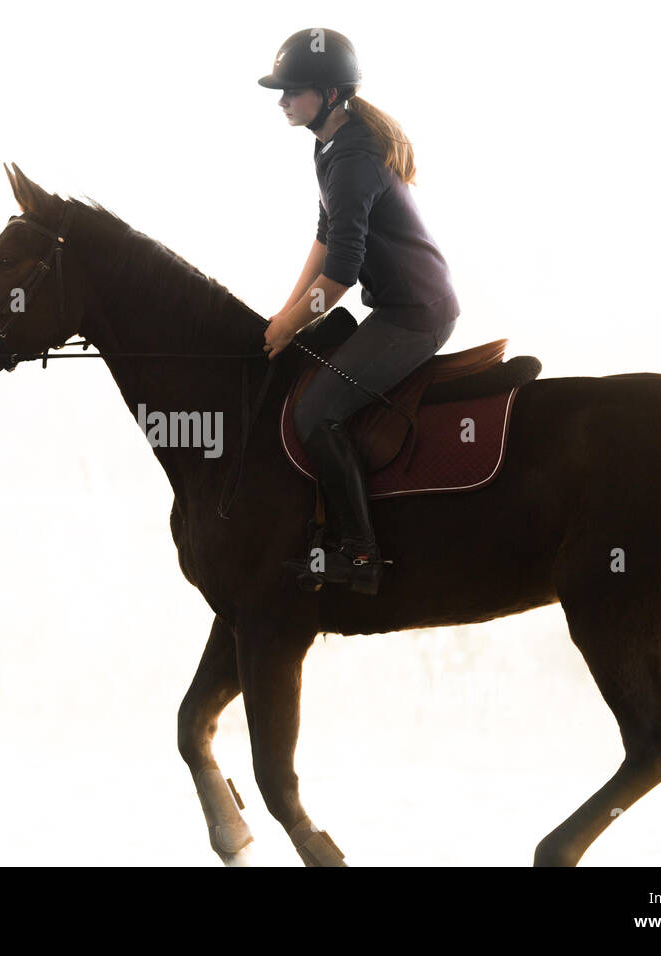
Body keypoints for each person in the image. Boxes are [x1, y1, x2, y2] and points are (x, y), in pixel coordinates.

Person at [258, 27, 461, 596]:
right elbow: (326, 236)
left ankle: (362, 553)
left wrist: (292, 324)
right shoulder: (327, 146)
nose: (281, 101)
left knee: (316, 411)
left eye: (291, 91)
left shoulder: (352, 159)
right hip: (396, 305)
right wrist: (287, 312)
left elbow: (342, 275)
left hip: (415, 315)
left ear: (328, 94)